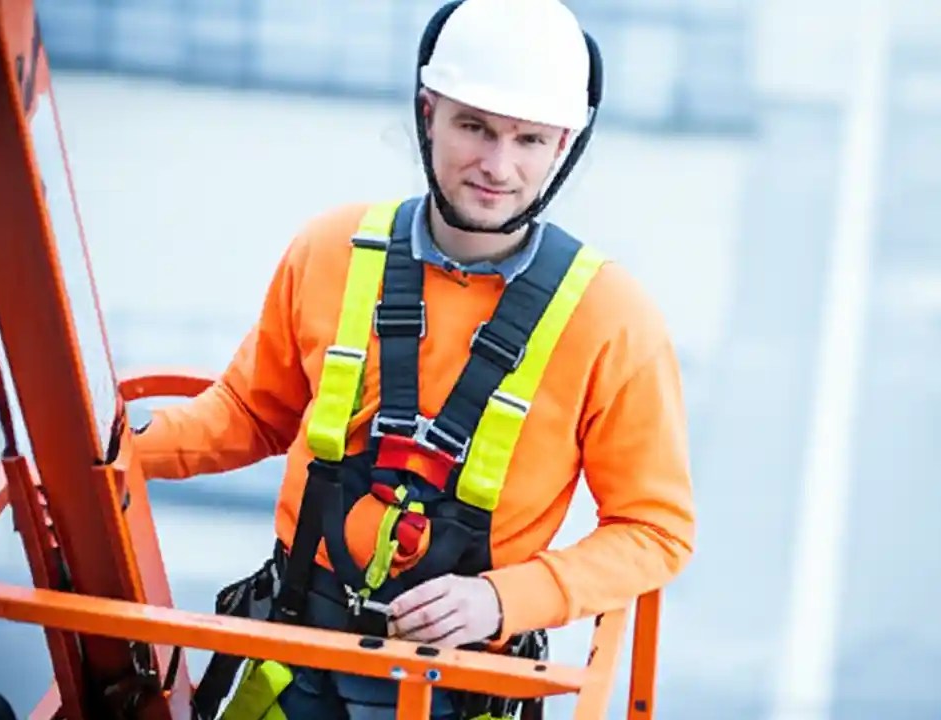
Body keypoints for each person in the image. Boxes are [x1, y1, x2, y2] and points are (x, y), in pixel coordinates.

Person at [131, 0, 697, 717]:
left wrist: (503, 599)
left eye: (528, 139)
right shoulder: (331, 251)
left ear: (563, 145)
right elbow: (251, 412)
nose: (497, 166)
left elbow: (655, 528)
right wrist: (114, 449)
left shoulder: (613, 320)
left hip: (458, 685)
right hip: (291, 655)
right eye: (474, 126)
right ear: (429, 113)